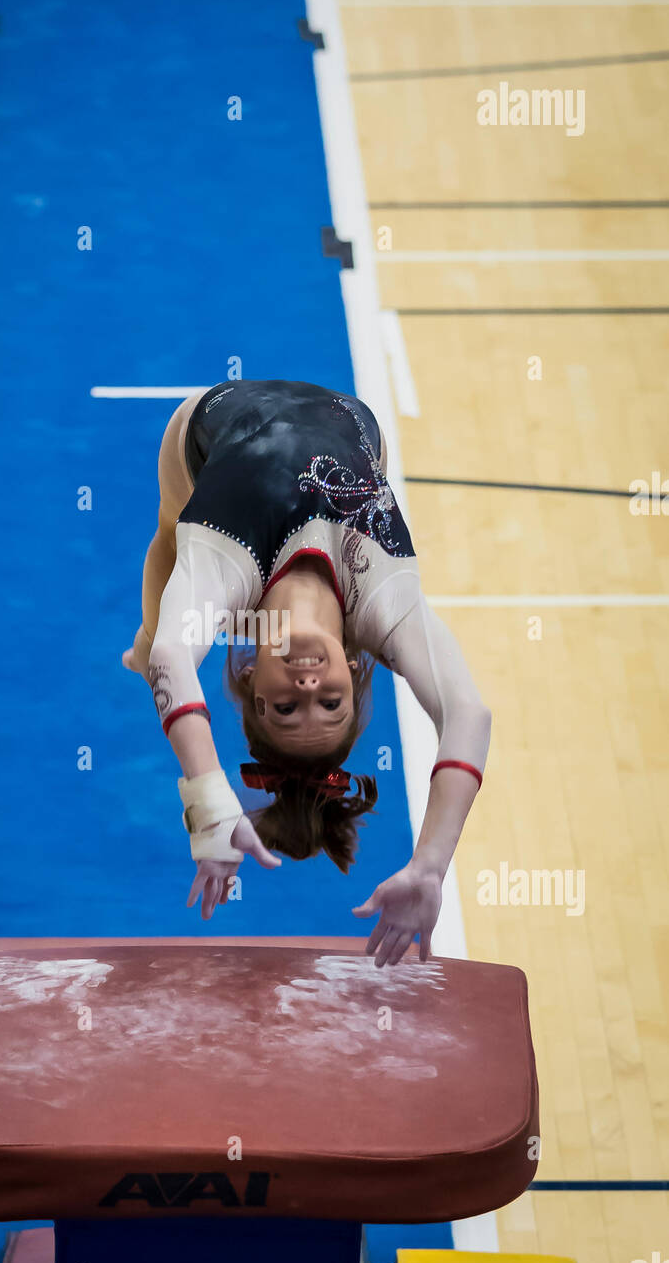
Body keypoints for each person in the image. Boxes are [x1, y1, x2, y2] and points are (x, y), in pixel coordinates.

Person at [123, 380, 490, 964]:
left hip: (211, 424)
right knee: (176, 637)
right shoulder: (383, 604)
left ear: (250, 684)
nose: (309, 688)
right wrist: (429, 867)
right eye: (330, 705)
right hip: (355, 428)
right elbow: (469, 713)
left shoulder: (225, 571)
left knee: (171, 564)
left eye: (287, 709)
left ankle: (142, 640)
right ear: (351, 667)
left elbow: (174, 659)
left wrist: (210, 802)